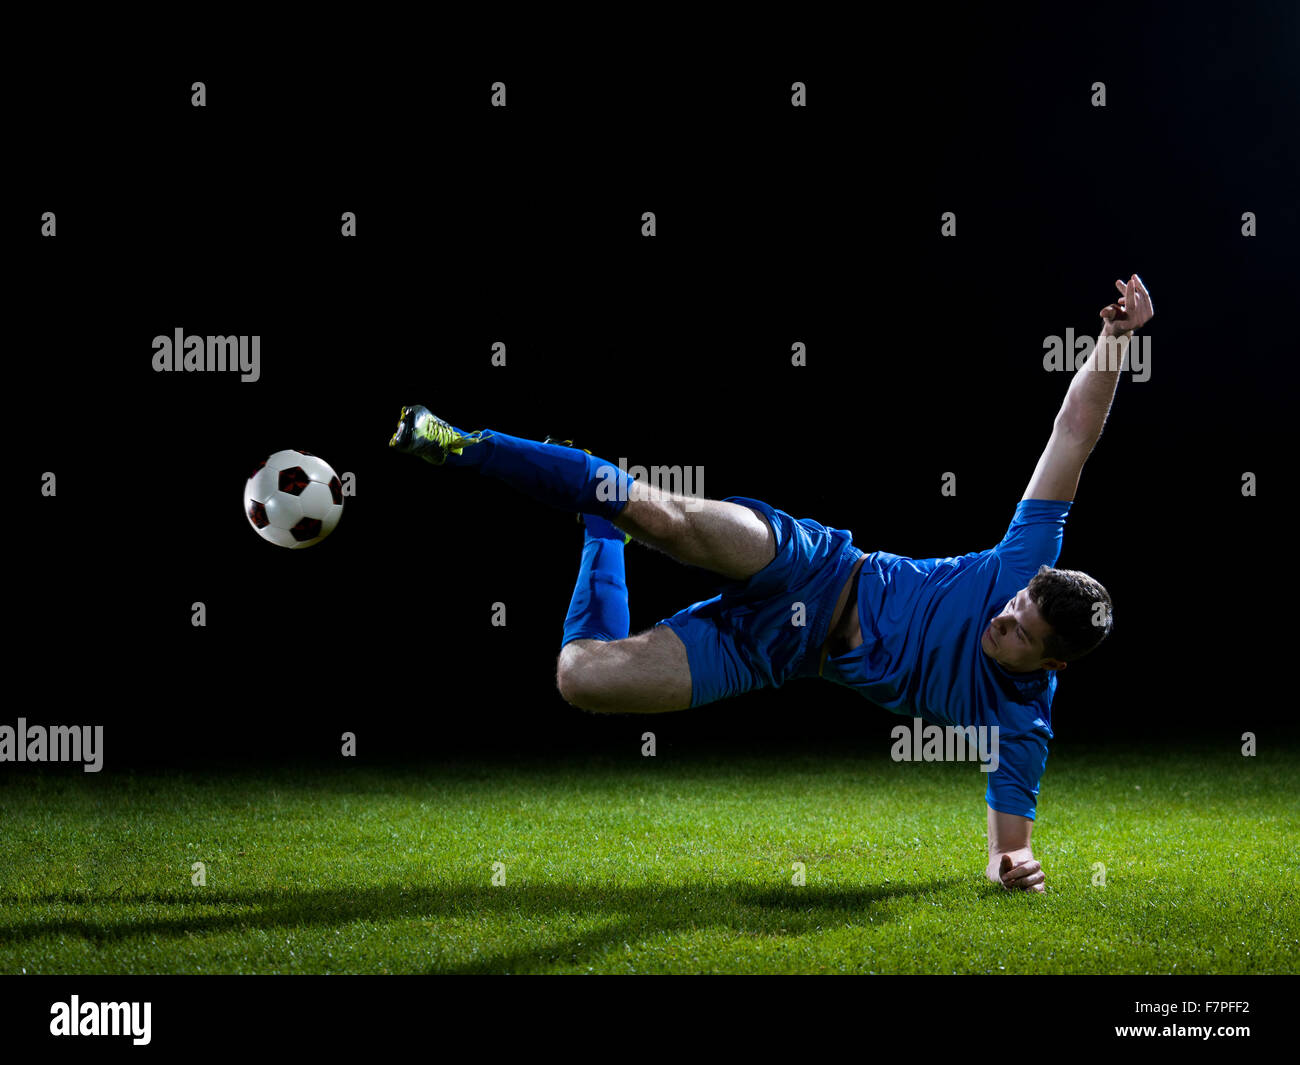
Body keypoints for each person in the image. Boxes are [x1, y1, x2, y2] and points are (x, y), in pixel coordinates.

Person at [389, 275, 1154, 894]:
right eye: (1014, 605)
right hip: (817, 563)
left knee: (581, 676)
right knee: (663, 515)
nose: (1004, 618)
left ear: (1052, 666)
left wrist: (1015, 868)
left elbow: (1005, 851)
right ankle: (465, 445)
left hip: (774, 651)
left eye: (1022, 632)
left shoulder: (1021, 728)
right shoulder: (1025, 561)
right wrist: (1114, 342)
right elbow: (1074, 433)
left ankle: (594, 523)